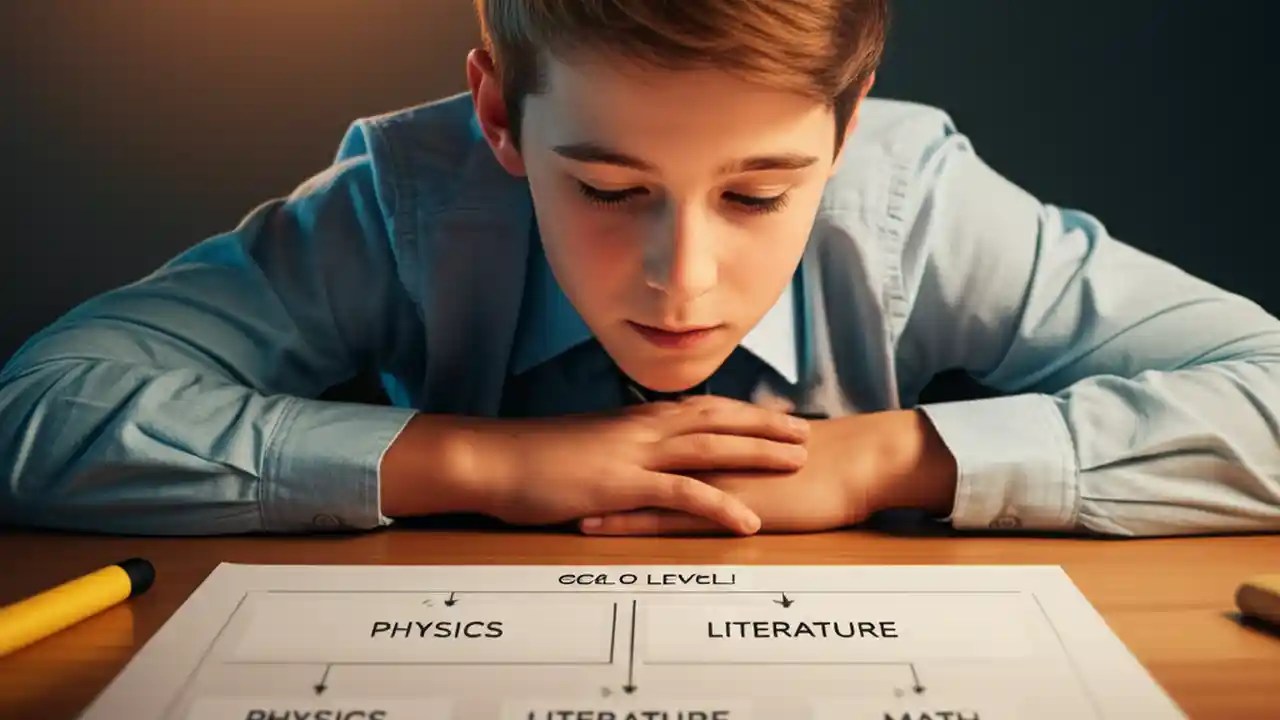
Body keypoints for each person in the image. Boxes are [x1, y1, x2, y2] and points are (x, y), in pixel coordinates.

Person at [2, 0, 1279, 539]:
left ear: (842, 129)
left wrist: (891, 459)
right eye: (609, 192)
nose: (683, 283)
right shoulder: (410, 202)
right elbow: (35, 412)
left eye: (759, 192)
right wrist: (482, 464)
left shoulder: (913, 202)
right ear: (498, 116)